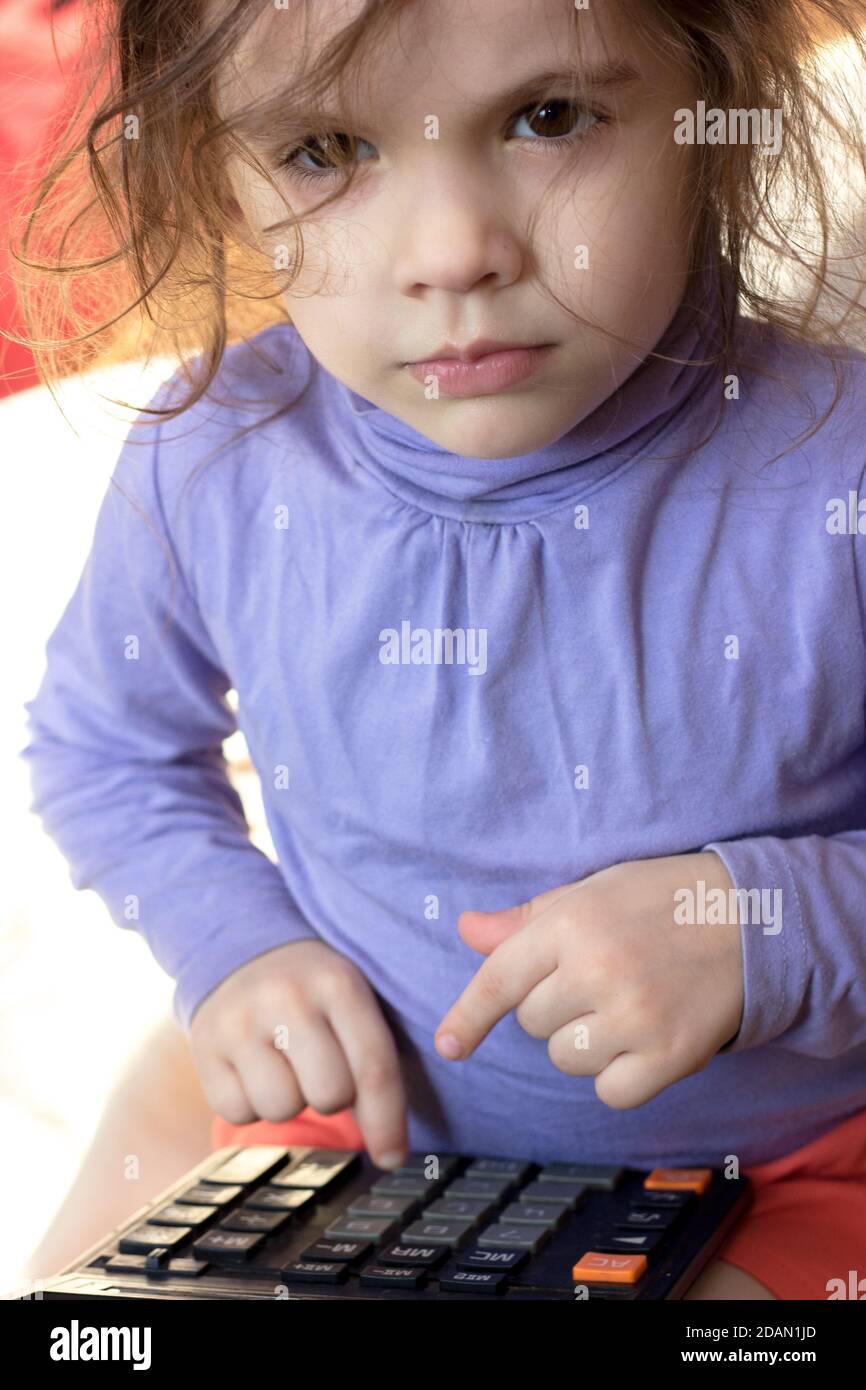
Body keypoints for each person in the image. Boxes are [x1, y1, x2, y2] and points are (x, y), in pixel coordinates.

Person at [13, 0, 866, 1300]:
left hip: (787, 1163)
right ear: (214, 165)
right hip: (358, 1130)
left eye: (548, 117)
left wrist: (768, 924)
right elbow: (105, 746)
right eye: (326, 149)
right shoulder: (214, 456)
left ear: (713, 102)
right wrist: (235, 945)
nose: (453, 251)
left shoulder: (833, 469)